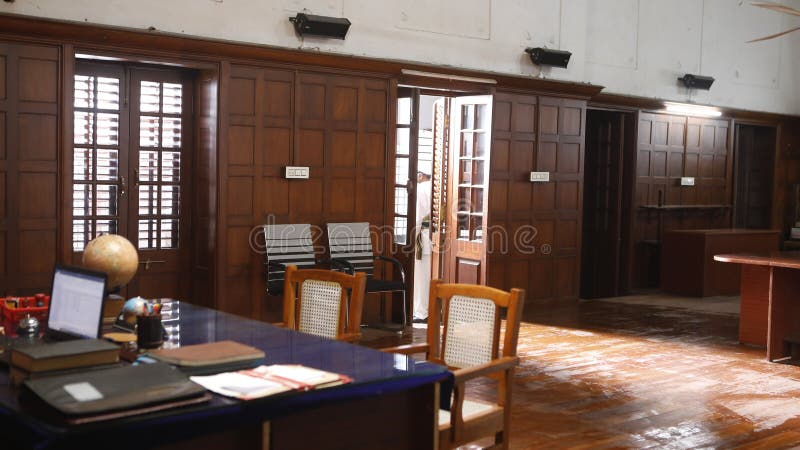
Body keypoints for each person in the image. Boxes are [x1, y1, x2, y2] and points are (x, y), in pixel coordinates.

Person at [413, 171, 432, 323]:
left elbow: (418, 218)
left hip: (420, 235)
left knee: (421, 277)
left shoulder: (421, 189)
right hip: (431, 235)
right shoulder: (434, 187)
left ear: (422, 175)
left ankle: (421, 312)